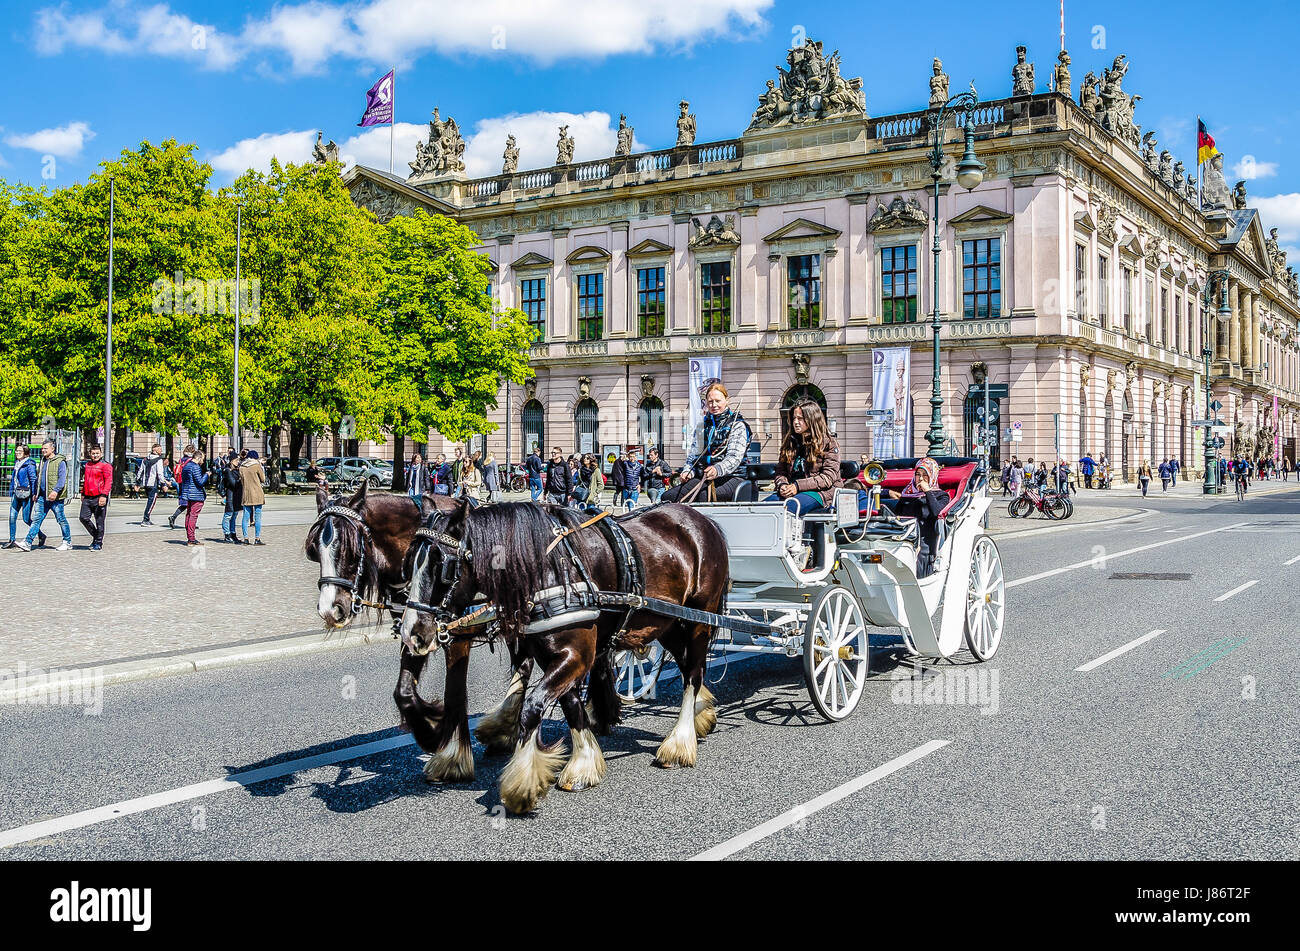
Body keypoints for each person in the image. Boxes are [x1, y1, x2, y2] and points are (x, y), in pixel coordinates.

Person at [662, 382, 754, 502]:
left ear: (727, 400)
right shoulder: (702, 426)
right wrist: (688, 471)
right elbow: (693, 456)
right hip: (704, 476)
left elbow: (734, 458)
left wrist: (717, 469)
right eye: (710, 401)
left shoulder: (737, 425)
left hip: (733, 476)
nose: (714, 405)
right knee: (668, 497)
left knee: (704, 495)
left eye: (718, 401)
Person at [766, 398, 841, 516]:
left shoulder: (829, 443)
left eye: (800, 418)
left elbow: (827, 478)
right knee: (762, 508)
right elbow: (781, 472)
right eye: (794, 418)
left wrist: (797, 486)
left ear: (812, 419)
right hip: (791, 491)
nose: (796, 422)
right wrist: (782, 485)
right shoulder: (789, 442)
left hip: (820, 493)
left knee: (789, 508)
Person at [887, 458, 949, 579]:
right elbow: (897, 514)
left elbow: (937, 512)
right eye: (917, 475)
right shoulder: (907, 494)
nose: (920, 479)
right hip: (905, 539)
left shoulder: (941, 496)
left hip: (926, 542)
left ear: (932, 476)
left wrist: (928, 492)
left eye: (925, 475)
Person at [18, 438, 72, 552]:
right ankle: (28, 542)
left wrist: (55, 491)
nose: (43, 450)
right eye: (42, 448)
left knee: (61, 519)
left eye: (45, 448)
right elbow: (39, 478)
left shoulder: (60, 462)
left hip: (55, 498)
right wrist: (36, 493)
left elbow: (62, 479)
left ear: (52, 449)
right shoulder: (43, 460)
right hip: (42, 497)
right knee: (37, 520)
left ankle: (67, 541)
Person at [75, 444, 113, 552]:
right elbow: (86, 480)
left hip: (99, 497)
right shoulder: (87, 465)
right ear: (90, 454)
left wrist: (104, 495)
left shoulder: (105, 465)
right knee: (83, 518)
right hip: (87, 496)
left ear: (101, 454)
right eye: (93, 453)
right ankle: (96, 536)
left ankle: (98, 542)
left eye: (97, 453)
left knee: (99, 521)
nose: (95, 455)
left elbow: (108, 482)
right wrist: (82, 492)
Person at [6, 444, 37, 549]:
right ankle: (12, 540)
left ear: (26, 453)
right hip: (16, 493)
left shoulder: (29, 464)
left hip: (26, 494)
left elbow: (33, 479)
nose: (17, 452)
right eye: (16, 451)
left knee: (26, 519)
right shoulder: (17, 463)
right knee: (12, 517)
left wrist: (34, 494)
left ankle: (41, 535)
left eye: (20, 451)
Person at [179, 449, 209, 546]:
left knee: (189, 515)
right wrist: (206, 475)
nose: (203, 461)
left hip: (188, 493)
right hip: (196, 494)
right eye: (203, 459)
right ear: (198, 458)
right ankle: (191, 539)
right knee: (193, 516)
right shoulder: (195, 467)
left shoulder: (186, 466)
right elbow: (200, 482)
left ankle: (190, 537)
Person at [239, 450, 267, 545]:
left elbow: (242, 481)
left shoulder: (242, 467)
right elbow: (263, 479)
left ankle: (246, 538)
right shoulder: (256, 465)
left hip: (246, 493)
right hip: (257, 493)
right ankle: (257, 538)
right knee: (257, 516)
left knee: (245, 517)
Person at [139, 444, 169, 525]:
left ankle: (147, 518)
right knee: (151, 501)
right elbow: (160, 474)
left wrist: (138, 483)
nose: (161, 451)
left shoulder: (145, 459)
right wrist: (163, 485)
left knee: (149, 500)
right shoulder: (158, 460)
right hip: (153, 483)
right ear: (155, 450)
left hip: (146, 483)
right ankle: (145, 519)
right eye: (160, 450)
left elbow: (140, 471)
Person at [167, 447, 194, 528]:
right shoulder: (191, 461)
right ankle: (190, 524)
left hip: (181, 483)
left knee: (185, 504)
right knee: (191, 504)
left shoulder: (181, 460)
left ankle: (174, 517)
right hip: (188, 485)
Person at [221, 451, 244, 542]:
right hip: (231, 495)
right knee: (228, 515)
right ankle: (227, 534)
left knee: (234, 516)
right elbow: (233, 483)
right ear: (231, 461)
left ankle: (233, 533)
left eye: (238, 460)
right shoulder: (227, 470)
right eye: (236, 460)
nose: (238, 461)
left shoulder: (237, 470)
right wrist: (241, 479)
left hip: (237, 495)